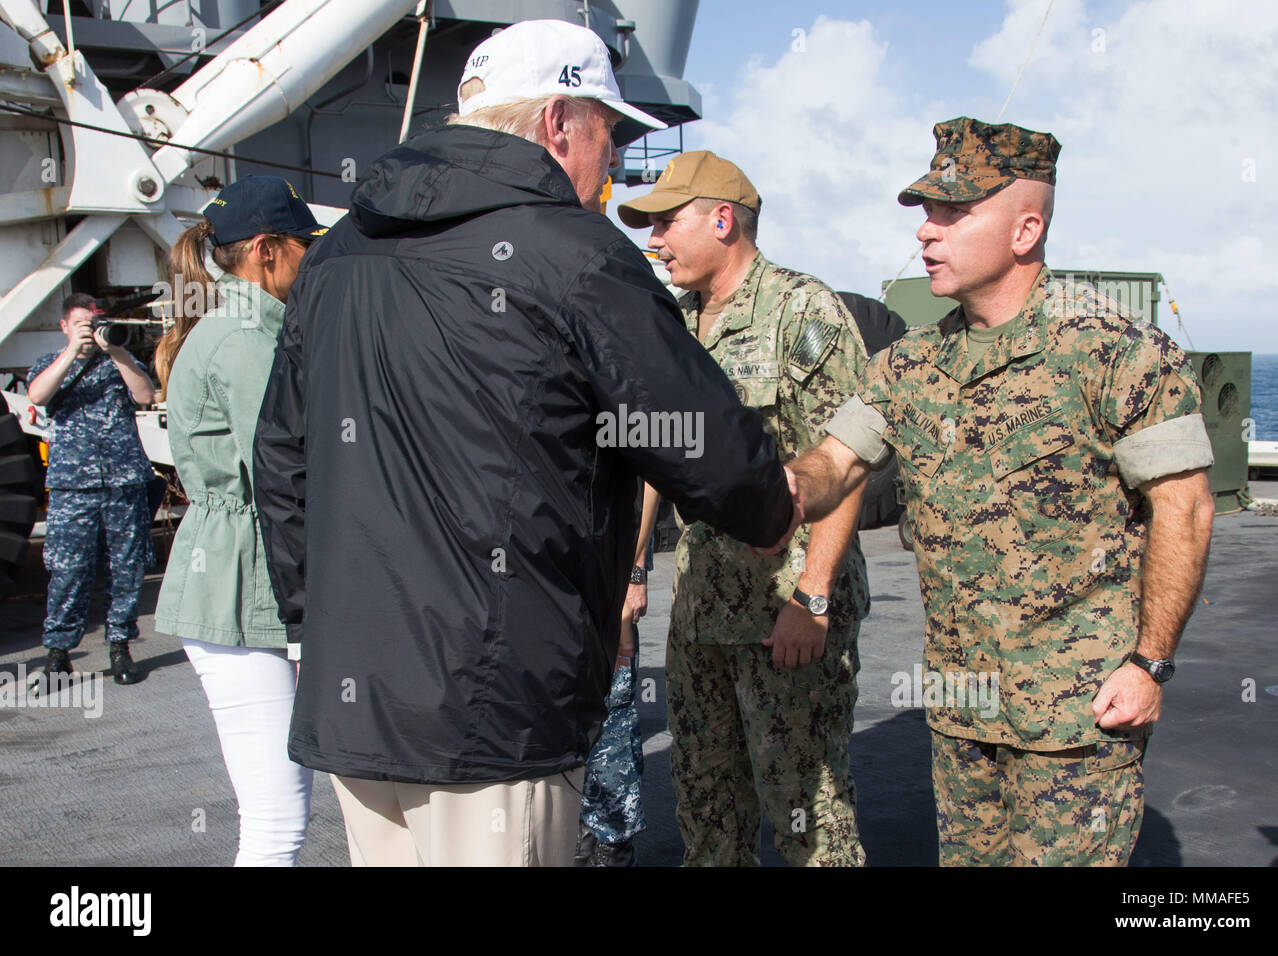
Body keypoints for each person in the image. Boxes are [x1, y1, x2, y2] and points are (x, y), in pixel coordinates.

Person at [253, 19, 799, 867]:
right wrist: (770, 505)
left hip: (356, 699)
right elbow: (701, 440)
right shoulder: (574, 255)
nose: (613, 161)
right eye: (608, 133)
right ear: (557, 123)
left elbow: (283, 459)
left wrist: (313, 619)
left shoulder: (338, 255)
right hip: (495, 710)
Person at [782, 117, 1216, 865]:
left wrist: (1149, 664)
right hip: (962, 706)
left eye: (954, 212)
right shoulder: (909, 365)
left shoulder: (1115, 351)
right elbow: (836, 464)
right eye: (926, 212)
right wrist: (777, 485)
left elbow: (1186, 506)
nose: (927, 232)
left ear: (1025, 231)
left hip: (1079, 717)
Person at [617, 150, 871, 866]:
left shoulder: (802, 312)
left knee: (808, 819)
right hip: (701, 615)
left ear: (722, 219)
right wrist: (632, 577)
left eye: (666, 222)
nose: (654, 240)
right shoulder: (677, 324)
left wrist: (813, 598)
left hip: (784, 616)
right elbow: (652, 469)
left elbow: (847, 464)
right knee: (706, 811)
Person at [152, 176, 326, 866]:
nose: (312, 260)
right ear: (266, 250)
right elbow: (291, 476)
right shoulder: (244, 341)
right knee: (277, 820)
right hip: (241, 580)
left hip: (236, 573)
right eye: (304, 246)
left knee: (276, 814)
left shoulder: (236, 329)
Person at [26, 293, 157, 686]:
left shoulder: (118, 362)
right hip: (73, 486)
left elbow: (145, 394)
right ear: (65, 325)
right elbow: (37, 395)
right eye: (82, 323)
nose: (90, 330)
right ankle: (58, 653)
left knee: (126, 569)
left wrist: (114, 350)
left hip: (123, 481)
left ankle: (120, 646)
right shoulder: (51, 363)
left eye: (94, 323)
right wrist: (72, 351)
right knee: (69, 570)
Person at [575, 482, 659, 867]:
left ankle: (609, 850)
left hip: (611, 570)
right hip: (554, 576)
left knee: (612, 727)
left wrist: (635, 571)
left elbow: (649, 474)